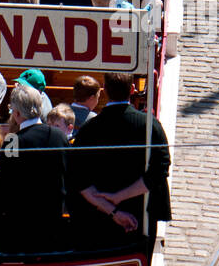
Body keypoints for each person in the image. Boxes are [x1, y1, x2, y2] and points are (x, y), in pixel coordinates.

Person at [68, 71, 171, 247]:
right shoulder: (149, 125)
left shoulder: (89, 129)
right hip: (140, 217)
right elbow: (159, 170)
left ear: (105, 89)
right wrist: (118, 197)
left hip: (99, 218)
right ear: (132, 89)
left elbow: (78, 179)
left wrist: (113, 210)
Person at [0, 83, 69, 252]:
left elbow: (3, 186)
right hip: (53, 222)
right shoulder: (59, 136)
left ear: (16, 113)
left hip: (21, 229)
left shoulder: (13, 140)